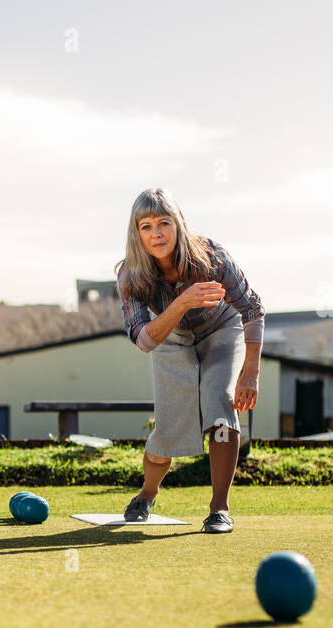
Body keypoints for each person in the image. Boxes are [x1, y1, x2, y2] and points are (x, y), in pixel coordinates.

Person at [115, 187, 264, 533]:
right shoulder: (130, 274)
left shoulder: (212, 257)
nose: (156, 234)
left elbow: (253, 308)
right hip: (169, 337)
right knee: (167, 430)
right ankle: (147, 495)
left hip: (220, 329)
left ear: (178, 224)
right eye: (146, 226)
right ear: (137, 233)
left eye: (164, 223)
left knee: (220, 404)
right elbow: (144, 340)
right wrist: (182, 303)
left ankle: (219, 509)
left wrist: (251, 373)